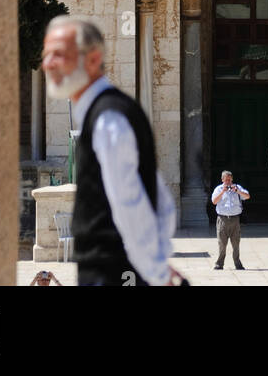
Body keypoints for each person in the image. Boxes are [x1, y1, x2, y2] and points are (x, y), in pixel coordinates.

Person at [42, 14, 181, 287]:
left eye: (59, 54)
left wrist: (157, 272)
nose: (48, 64)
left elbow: (128, 202)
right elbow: (159, 197)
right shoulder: (112, 111)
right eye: (46, 54)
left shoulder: (108, 120)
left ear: (93, 60)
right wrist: (159, 263)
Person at [211, 170, 250, 270]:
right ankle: (219, 264)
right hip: (222, 219)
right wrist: (223, 191)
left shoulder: (237, 187)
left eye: (229, 179)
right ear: (222, 179)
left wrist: (238, 191)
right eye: (226, 179)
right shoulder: (218, 189)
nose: (228, 181)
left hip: (235, 219)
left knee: (236, 243)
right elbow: (214, 201)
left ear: (232, 179)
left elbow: (247, 196)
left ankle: (238, 263)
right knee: (222, 243)